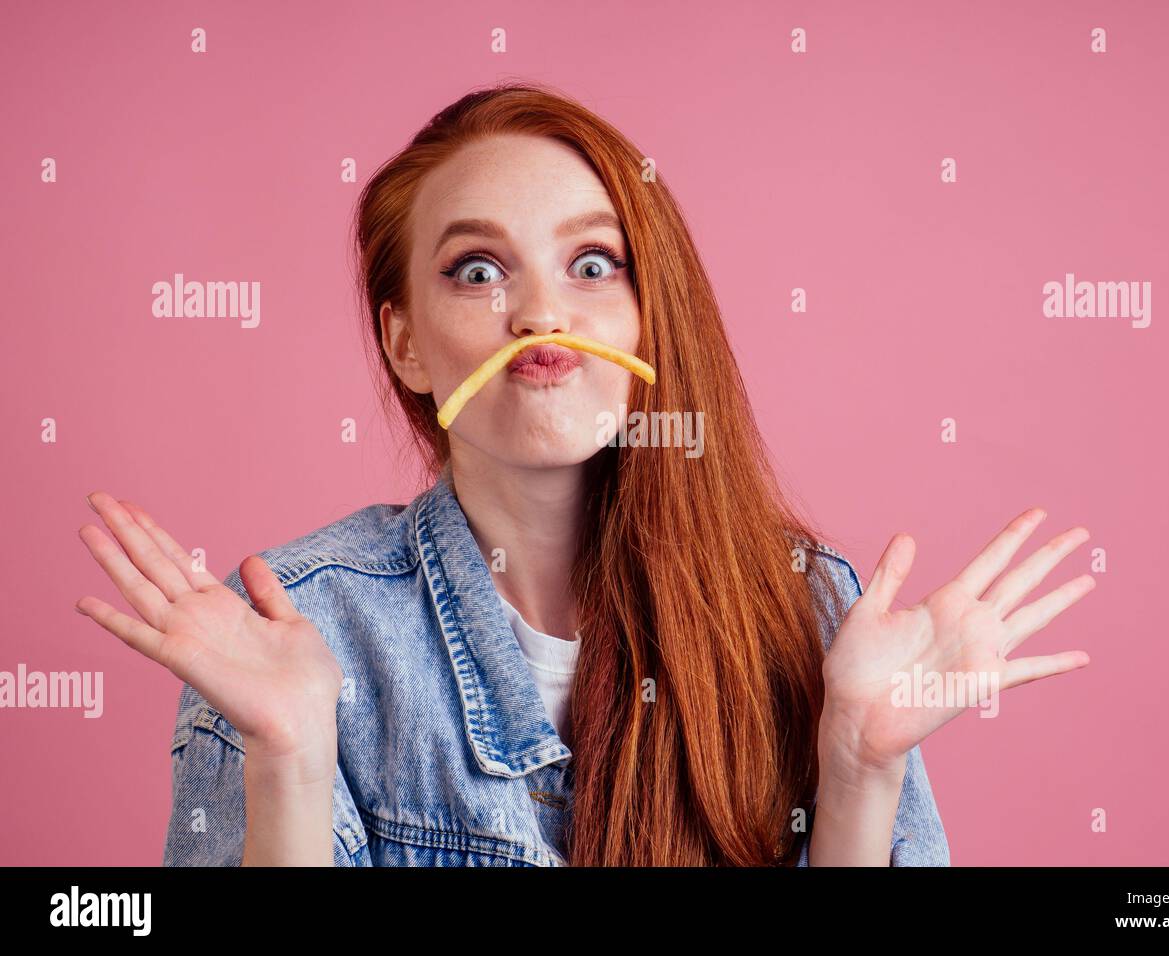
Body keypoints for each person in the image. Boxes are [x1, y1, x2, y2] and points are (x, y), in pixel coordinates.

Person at [74, 82, 1095, 866]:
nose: (540, 315)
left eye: (592, 264)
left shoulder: (814, 611)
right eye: (477, 269)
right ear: (407, 345)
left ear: (651, 312)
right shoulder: (289, 638)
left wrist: (861, 770)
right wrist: (291, 764)